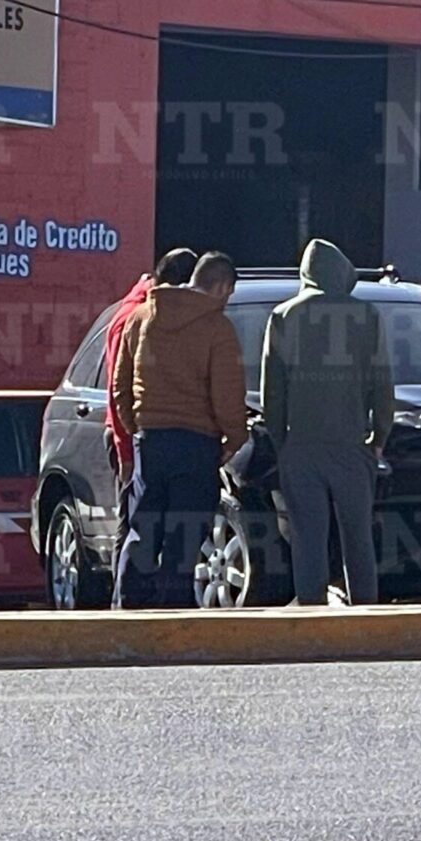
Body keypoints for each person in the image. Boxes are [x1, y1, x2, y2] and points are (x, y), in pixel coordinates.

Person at [110, 252, 248, 609]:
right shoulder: (217, 328)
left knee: (141, 531)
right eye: (228, 294)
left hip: (150, 441)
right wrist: (234, 438)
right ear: (220, 286)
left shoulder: (140, 317)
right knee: (184, 538)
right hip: (197, 445)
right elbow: (227, 394)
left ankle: (128, 609)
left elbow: (119, 386)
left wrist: (136, 426)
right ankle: (171, 617)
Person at [261, 239, 393, 607]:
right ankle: (365, 609)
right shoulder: (368, 316)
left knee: (308, 536)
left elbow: (273, 391)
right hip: (353, 445)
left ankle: (311, 608)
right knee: (358, 536)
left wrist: (280, 441)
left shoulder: (283, 316)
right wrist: (379, 437)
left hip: (300, 446)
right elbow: (383, 385)